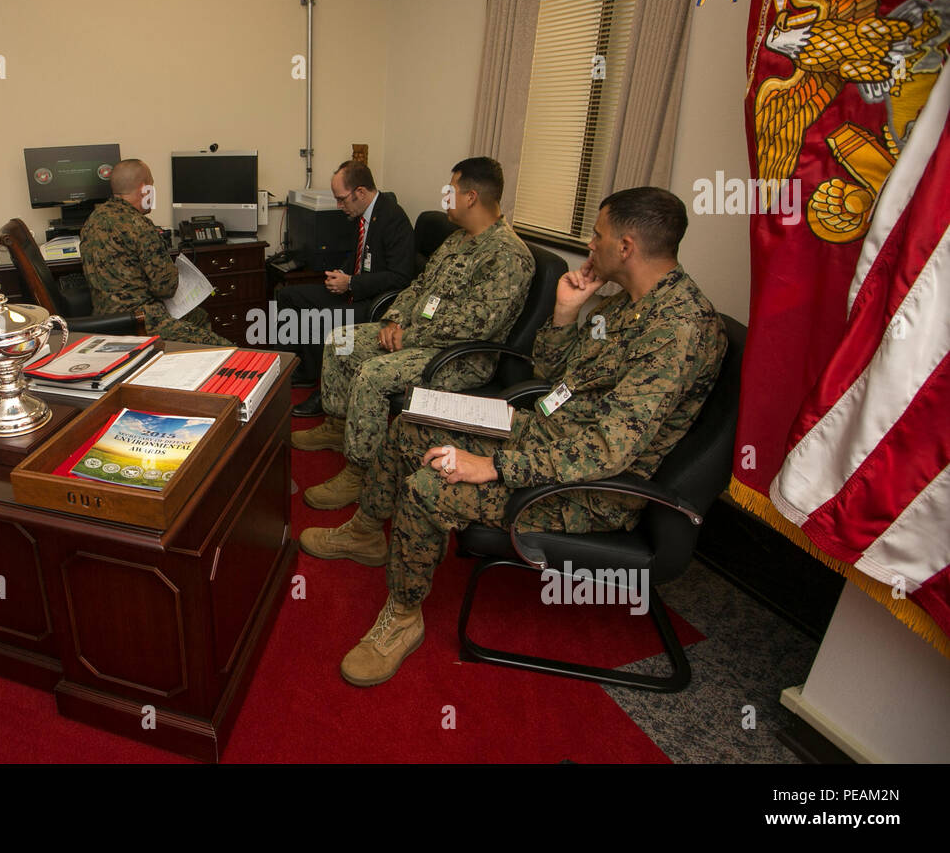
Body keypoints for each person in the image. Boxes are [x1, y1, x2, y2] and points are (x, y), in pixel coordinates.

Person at [299, 186, 728, 687]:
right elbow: (556, 375)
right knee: (414, 422)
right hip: (543, 434)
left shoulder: (679, 331)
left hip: (590, 486)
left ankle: (402, 616)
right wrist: (566, 314)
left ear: (626, 247)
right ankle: (368, 531)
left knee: (428, 486)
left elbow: (609, 450)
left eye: (596, 236)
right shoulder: (622, 306)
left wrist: (495, 466)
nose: (590, 246)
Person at [291, 156, 535, 512]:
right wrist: (394, 321)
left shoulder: (508, 255)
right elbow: (418, 285)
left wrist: (409, 336)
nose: (445, 199)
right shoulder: (456, 241)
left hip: (462, 357)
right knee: (340, 339)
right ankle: (337, 423)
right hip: (416, 333)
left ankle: (362, 472)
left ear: (470, 197)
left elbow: (476, 324)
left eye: (449, 191)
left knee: (373, 375)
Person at [281, 161, 414, 405]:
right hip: (354, 288)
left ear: (360, 192)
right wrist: (340, 273)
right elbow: (358, 254)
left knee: (319, 319)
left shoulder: (393, 218)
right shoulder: (361, 215)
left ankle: (327, 395)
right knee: (287, 296)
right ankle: (305, 368)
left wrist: (351, 283)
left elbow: (400, 278)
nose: (339, 206)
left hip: (375, 302)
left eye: (342, 199)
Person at [80, 158, 233, 346]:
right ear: (145, 189)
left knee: (198, 316)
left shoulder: (92, 220)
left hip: (104, 321)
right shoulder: (139, 225)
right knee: (225, 346)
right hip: (141, 322)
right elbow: (165, 288)